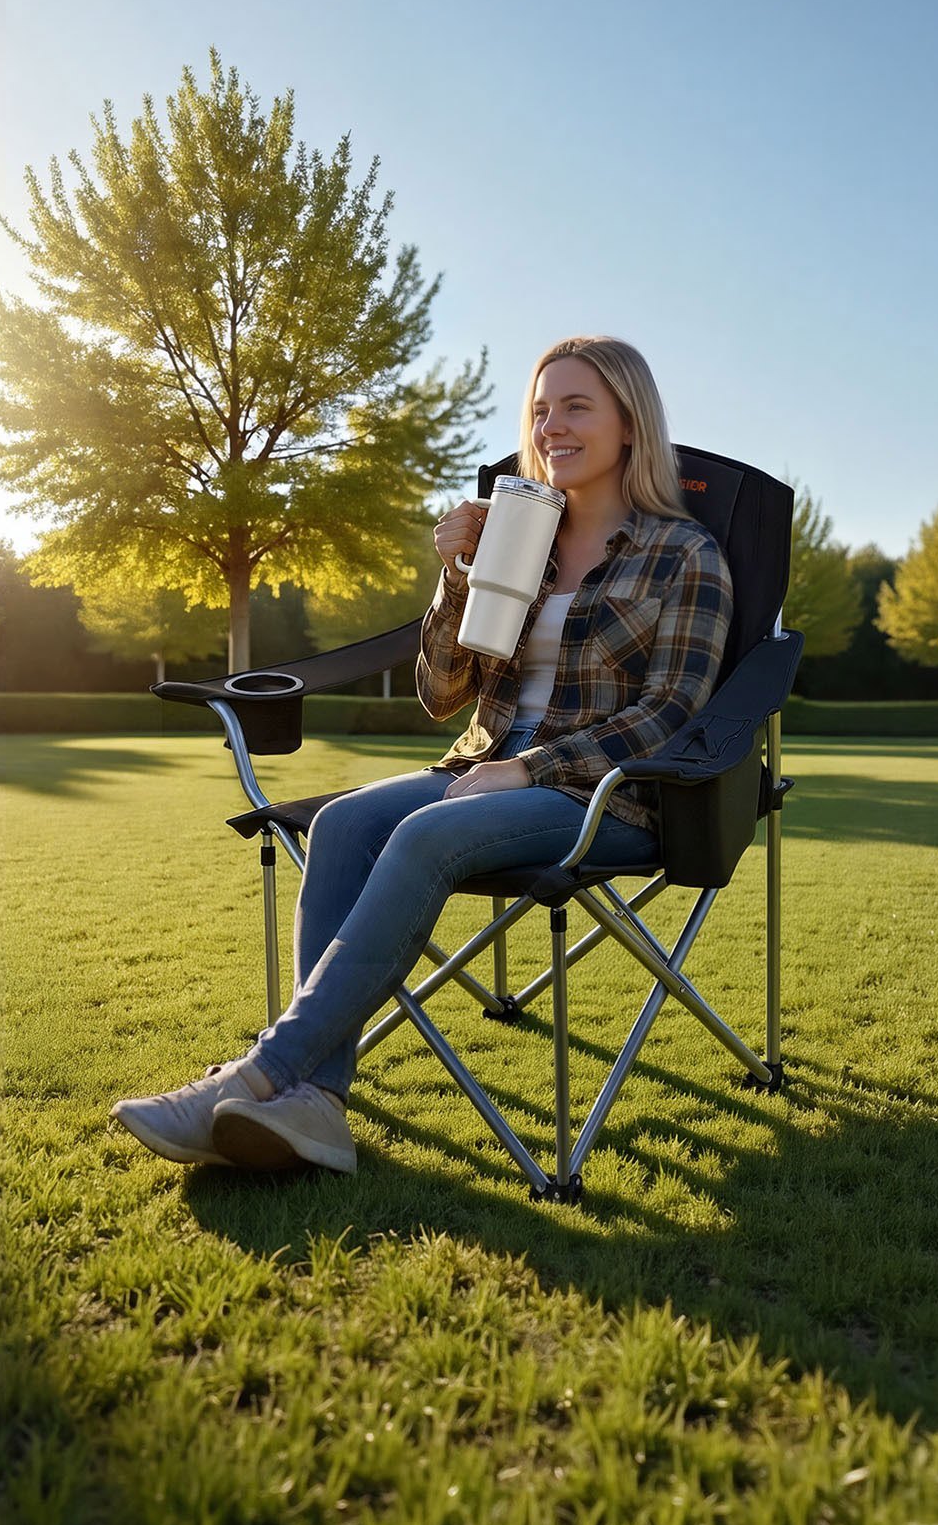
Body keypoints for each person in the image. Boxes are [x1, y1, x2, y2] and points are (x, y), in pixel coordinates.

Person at [111, 336, 733, 1173]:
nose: (552, 426)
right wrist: (456, 577)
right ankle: (319, 1106)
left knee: (424, 835)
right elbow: (442, 696)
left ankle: (266, 1071)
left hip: (607, 798)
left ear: (631, 423)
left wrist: (528, 769)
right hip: (477, 767)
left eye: (577, 406)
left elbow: (672, 716)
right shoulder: (524, 546)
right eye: (541, 410)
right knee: (339, 824)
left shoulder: (685, 556)